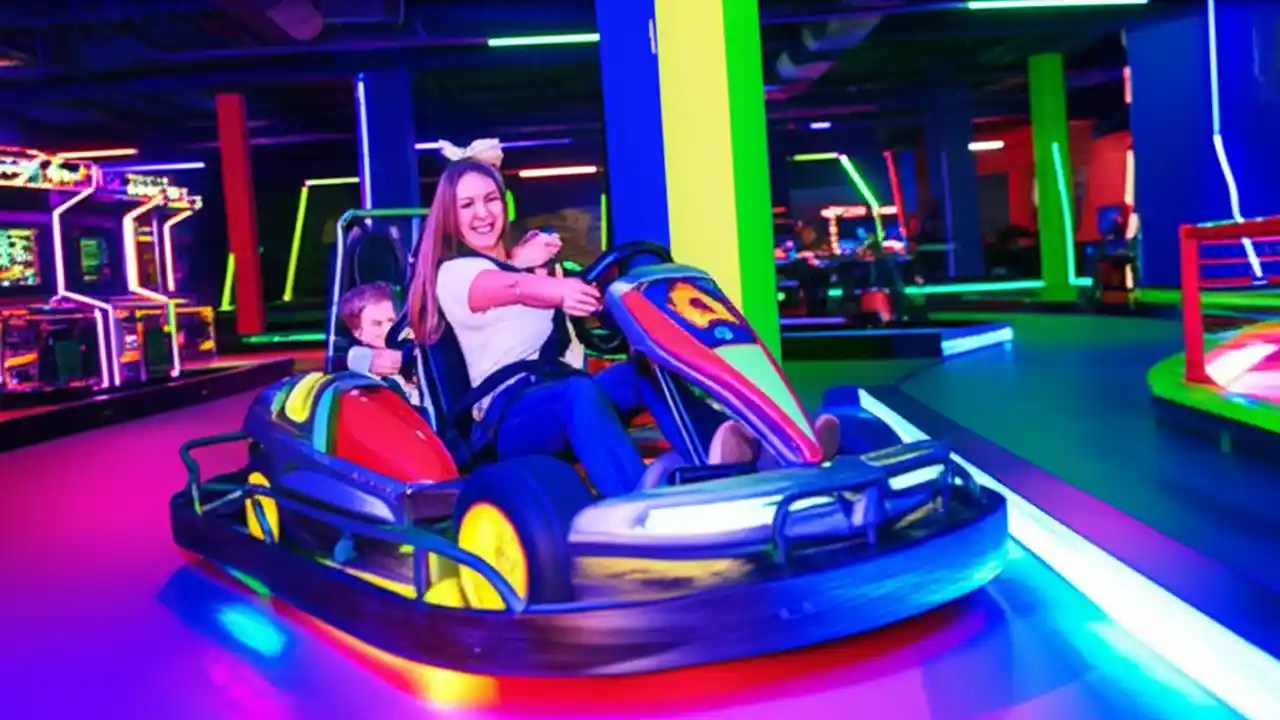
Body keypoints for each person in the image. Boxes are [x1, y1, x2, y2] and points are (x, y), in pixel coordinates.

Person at [405, 138, 837, 496]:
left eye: (490, 199)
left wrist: (599, 300)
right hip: (507, 421)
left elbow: (572, 318)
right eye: (467, 205)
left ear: (504, 203)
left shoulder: (538, 263)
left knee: (641, 371)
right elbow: (509, 288)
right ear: (451, 216)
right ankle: (635, 504)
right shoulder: (455, 273)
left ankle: (753, 451)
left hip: (560, 392)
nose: (482, 213)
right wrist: (554, 286)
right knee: (578, 393)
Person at [340, 281, 421, 405]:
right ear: (357, 331)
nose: (388, 329)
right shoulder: (355, 382)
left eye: (393, 321)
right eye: (377, 324)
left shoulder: (420, 355)